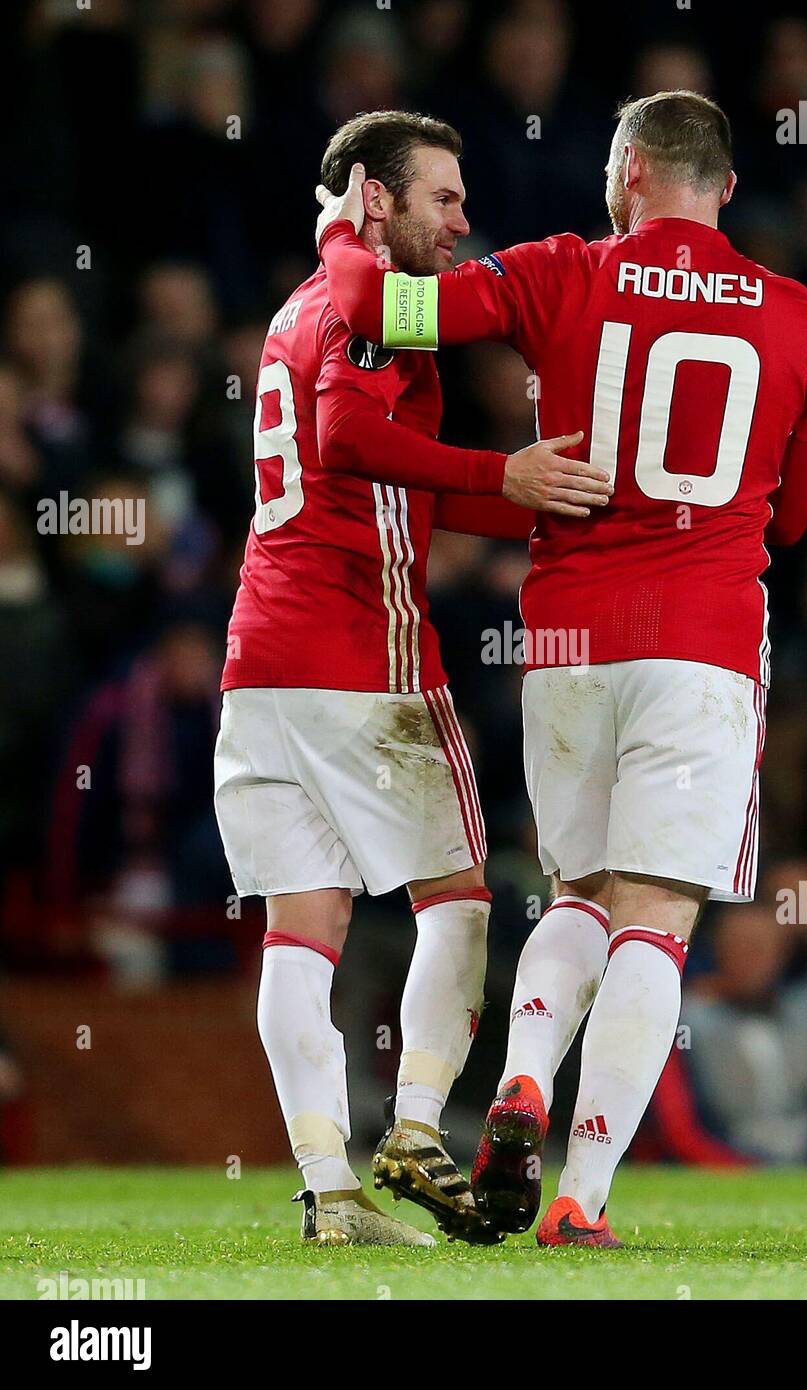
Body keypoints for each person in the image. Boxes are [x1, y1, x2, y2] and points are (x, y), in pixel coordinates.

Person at [315, 89, 807, 1246]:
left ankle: (521, 1081)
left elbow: (382, 305)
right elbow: (796, 516)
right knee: (655, 918)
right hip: (702, 641)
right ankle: (578, 1197)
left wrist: (340, 228)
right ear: (726, 189)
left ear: (629, 172)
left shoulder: (558, 269)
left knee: (576, 898)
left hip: (566, 634)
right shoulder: (798, 317)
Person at [215, 110, 609, 1248]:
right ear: (375, 201)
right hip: (361, 654)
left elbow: (399, 486)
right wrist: (507, 468)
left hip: (262, 663)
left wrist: (532, 496)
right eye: (442, 195)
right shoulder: (375, 302)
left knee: (303, 927)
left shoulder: (301, 305)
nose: (463, 219)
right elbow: (347, 438)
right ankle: (420, 1120)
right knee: (459, 898)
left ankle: (329, 1194)